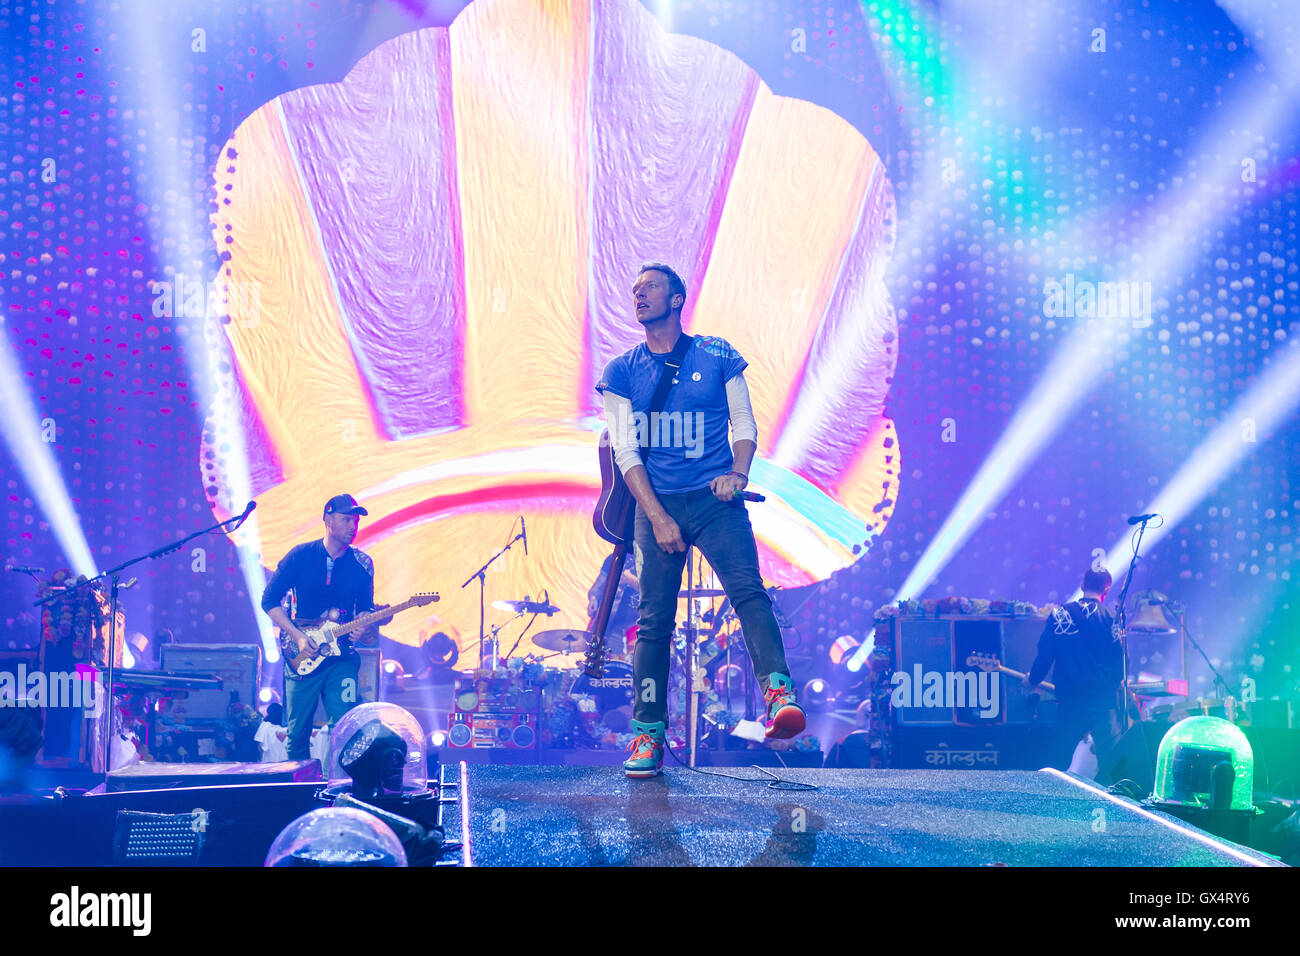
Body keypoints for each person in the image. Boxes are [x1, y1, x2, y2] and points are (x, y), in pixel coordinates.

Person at [596, 263, 805, 779]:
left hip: (715, 500)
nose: (637, 294)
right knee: (653, 623)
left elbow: (745, 423)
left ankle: (779, 698)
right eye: (634, 289)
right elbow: (625, 450)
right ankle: (647, 736)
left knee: (748, 592)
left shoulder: (715, 354)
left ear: (677, 297)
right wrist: (657, 515)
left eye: (649, 287)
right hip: (657, 504)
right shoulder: (622, 370)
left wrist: (737, 473)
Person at [260, 494, 390, 761]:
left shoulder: (363, 564)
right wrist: (296, 635)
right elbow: (269, 601)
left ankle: (335, 792)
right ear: (327, 520)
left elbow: (365, 611)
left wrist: (364, 629)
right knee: (297, 734)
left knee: (343, 729)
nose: (352, 526)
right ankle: (299, 793)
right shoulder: (300, 556)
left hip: (342, 658)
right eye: (345, 519)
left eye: (355, 521)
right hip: (303, 655)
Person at [1023, 567, 1125, 778]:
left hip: (1071, 701)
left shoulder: (1059, 614)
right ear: (1106, 588)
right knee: (1112, 761)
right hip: (1103, 703)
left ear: (1082, 585)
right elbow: (1122, 661)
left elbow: (1045, 655)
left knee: (1058, 762)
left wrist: (1033, 680)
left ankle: (1049, 802)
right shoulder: (1112, 617)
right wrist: (1112, 687)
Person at [586, 553, 640, 654]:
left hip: (632, 628)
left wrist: (630, 580)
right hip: (605, 623)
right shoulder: (616, 557)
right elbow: (597, 587)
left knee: (619, 663)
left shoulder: (653, 563)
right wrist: (593, 598)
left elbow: (654, 593)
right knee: (596, 658)